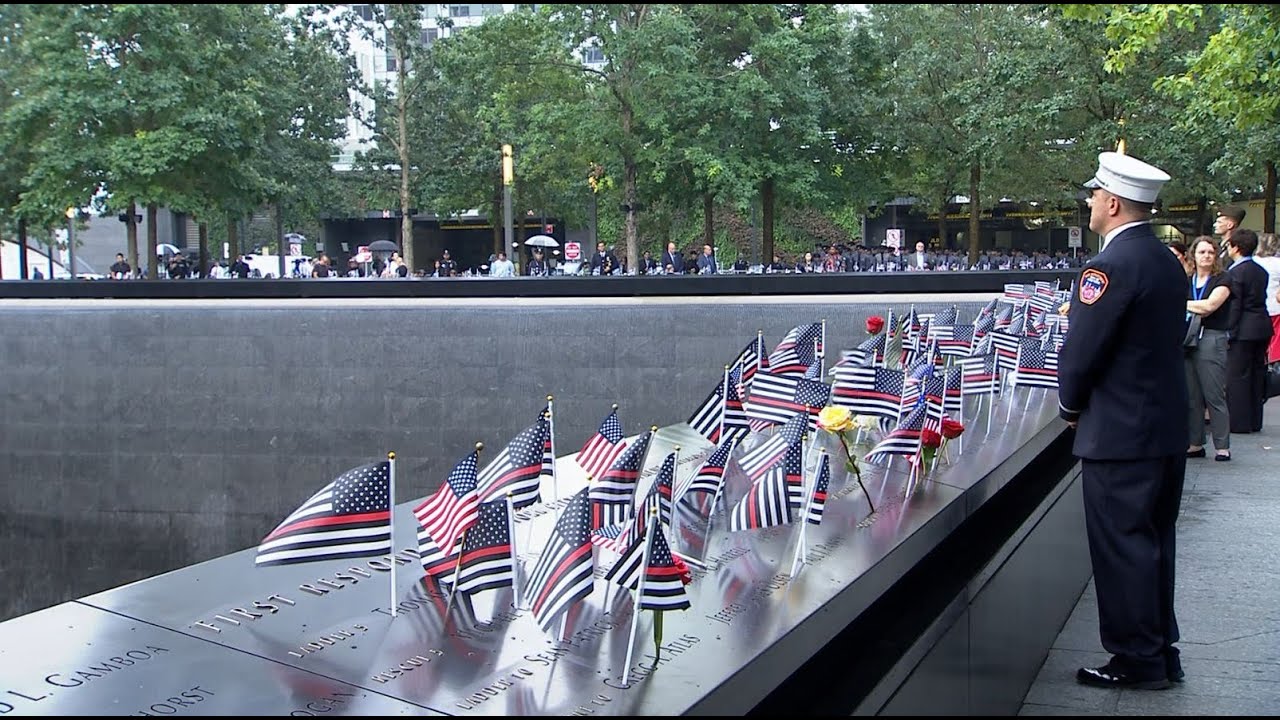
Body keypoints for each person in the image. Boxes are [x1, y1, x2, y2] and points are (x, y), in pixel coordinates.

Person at [1057, 151, 1187, 690]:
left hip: (1119, 433)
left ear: (1112, 203)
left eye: (1094, 195)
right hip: (1163, 428)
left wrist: (1070, 406)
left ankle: (1137, 659)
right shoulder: (1161, 260)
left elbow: (1082, 350)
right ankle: (1159, 651)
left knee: (1123, 547)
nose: (1089, 202)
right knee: (1155, 543)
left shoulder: (1107, 266)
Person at [1184, 236, 1232, 460]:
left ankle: (1222, 446)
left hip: (1211, 338)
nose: (1206, 256)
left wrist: (1180, 303)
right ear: (1193, 255)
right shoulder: (1186, 280)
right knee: (1191, 395)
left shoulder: (1223, 279)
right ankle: (1195, 442)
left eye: (1210, 253)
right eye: (1201, 252)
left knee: (1214, 395)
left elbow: (1210, 306)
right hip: (1187, 340)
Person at [1224, 229, 1272, 433]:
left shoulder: (1235, 273)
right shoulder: (1261, 271)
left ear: (1236, 248)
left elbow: (1235, 305)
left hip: (1243, 328)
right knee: (1256, 373)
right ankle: (1255, 419)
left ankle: (1240, 422)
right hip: (1262, 326)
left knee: (1238, 376)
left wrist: (1230, 331)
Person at [1250, 233, 1280, 365]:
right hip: (1276, 308)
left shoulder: (1252, 262)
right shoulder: (1278, 263)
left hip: (1257, 309)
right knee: (1274, 344)